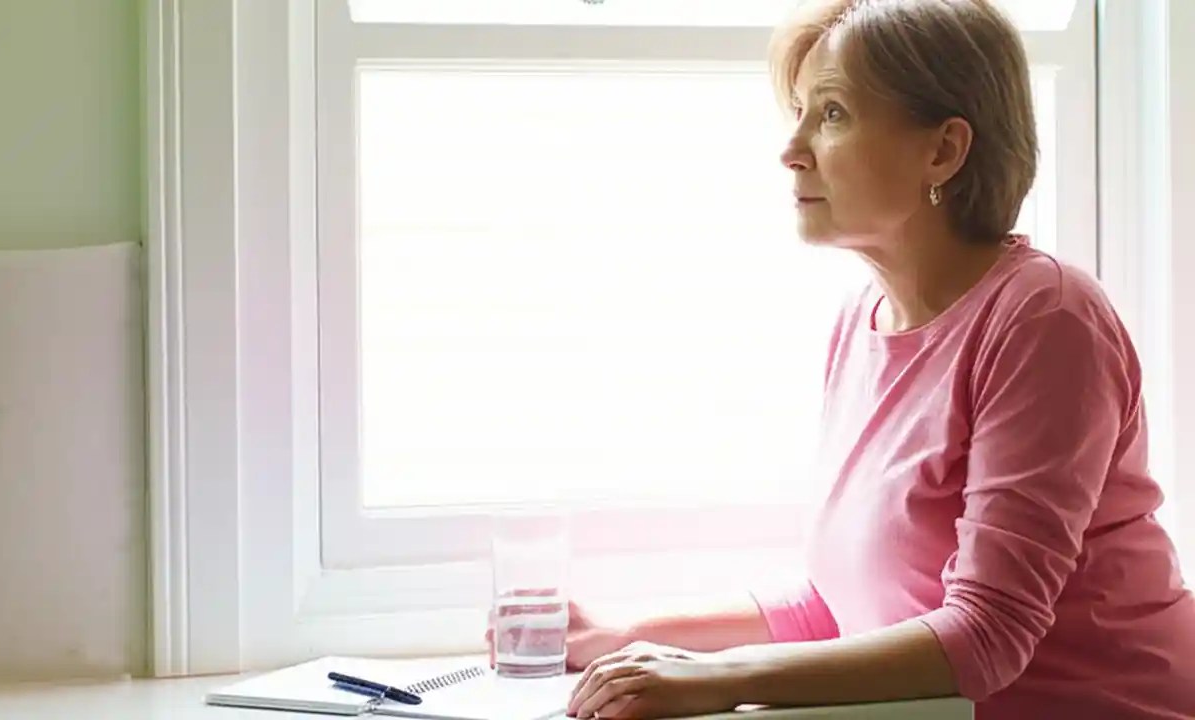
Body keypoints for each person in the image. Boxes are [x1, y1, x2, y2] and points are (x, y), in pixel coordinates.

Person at [486, 0, 1195, 717]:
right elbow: (836, 602)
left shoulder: (1047, 317)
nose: (791, 149)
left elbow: (989, 634)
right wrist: (625, 636)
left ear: (944, 150)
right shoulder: (862, 323)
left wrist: (721, 677)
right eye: (798, 112)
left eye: (830, 114)